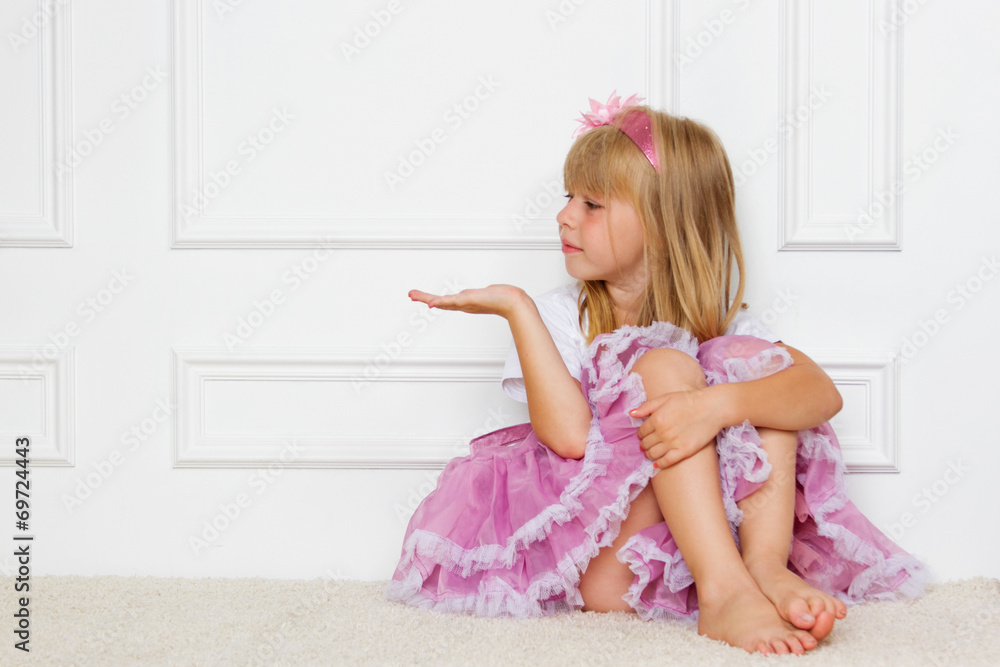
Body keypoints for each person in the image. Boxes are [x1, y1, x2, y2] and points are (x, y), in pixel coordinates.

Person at [386, 93, 927, 655]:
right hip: (601, 561)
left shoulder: (722, 324)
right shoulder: (559, 316)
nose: (565, 214)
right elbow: (568, 438)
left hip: (677, 562)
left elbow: (819, 393)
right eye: (569, 196)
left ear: (664, 223)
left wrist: (716, 406)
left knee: (755, 372)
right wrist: (517, 308)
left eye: (592, 204)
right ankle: (724, 593)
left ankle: (761, 570)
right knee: (668, 364)